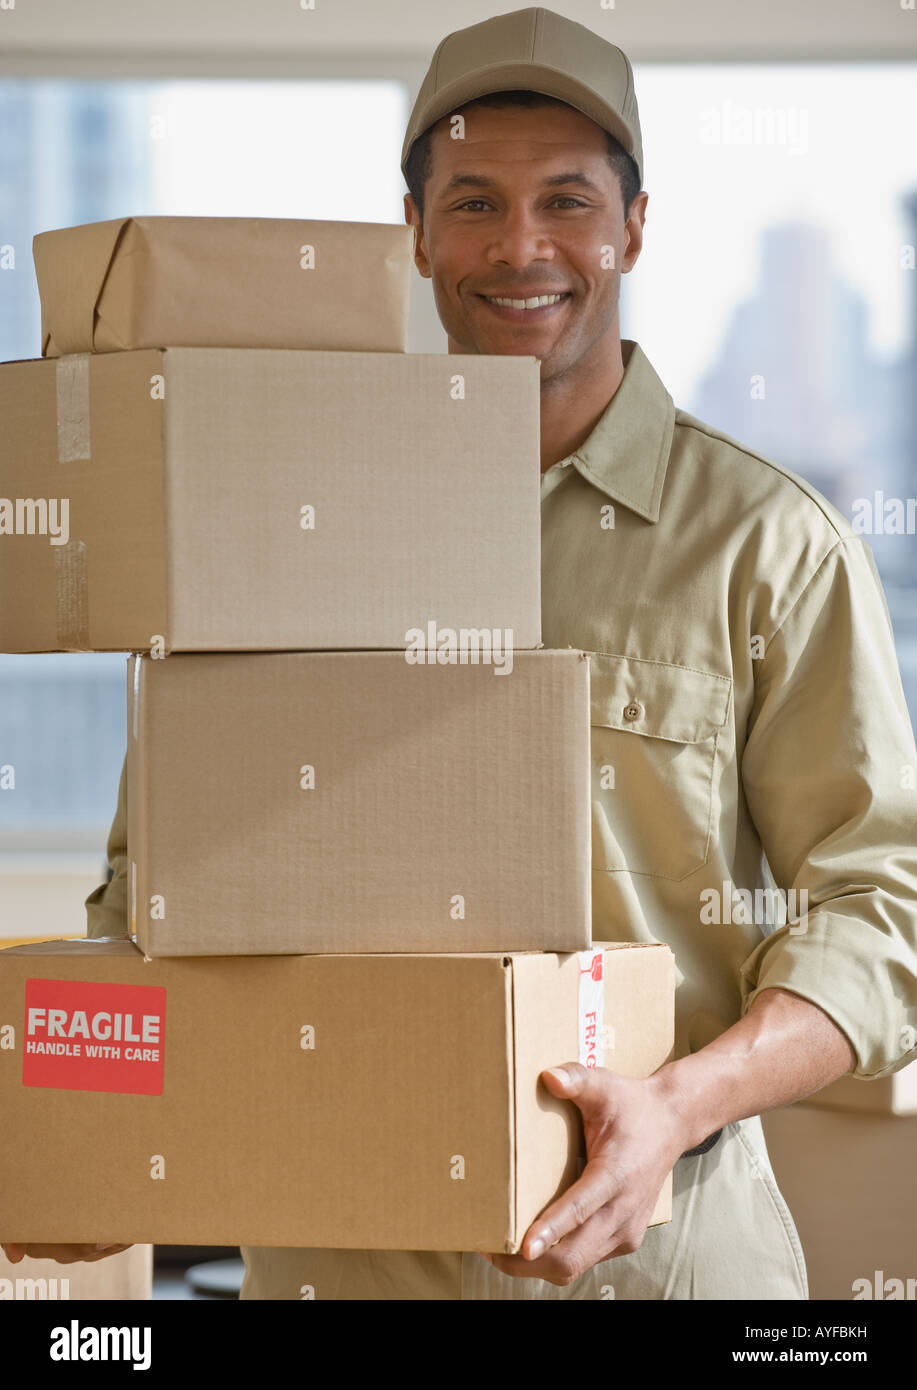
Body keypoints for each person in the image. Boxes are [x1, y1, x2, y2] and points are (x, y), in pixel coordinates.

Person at [6, 6, 916, 1299]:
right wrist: (103, 1129)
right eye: (475, 202)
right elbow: (150, 889)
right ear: (417, 233)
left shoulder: (766, 545)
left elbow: (880, 911)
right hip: (338, 1263)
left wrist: (675, 1101)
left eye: (567, 200)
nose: (521, 246)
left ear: (633, 228)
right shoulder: (278, 521)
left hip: (657, 1269)